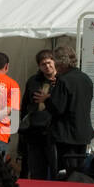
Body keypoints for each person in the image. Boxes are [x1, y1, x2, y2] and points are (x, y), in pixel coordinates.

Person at [50, 44, 94, 175]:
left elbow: (58, 108)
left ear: (60, 62)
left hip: (66, 133)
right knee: (79, 170)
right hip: (83, 131)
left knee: (66, 171)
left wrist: (47, 99)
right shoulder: (86, 78)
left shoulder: (64, 80)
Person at [20, 49, 60, 180]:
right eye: (43, 64)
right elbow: (25, 104)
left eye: (49, 63)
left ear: (54, 62)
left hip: (54, 132)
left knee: (56, 170)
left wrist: (49, 98)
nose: (47, 66)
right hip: (34, 131)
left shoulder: (62, 81)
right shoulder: (33, 81)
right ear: (39, 66)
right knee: (37, 170)